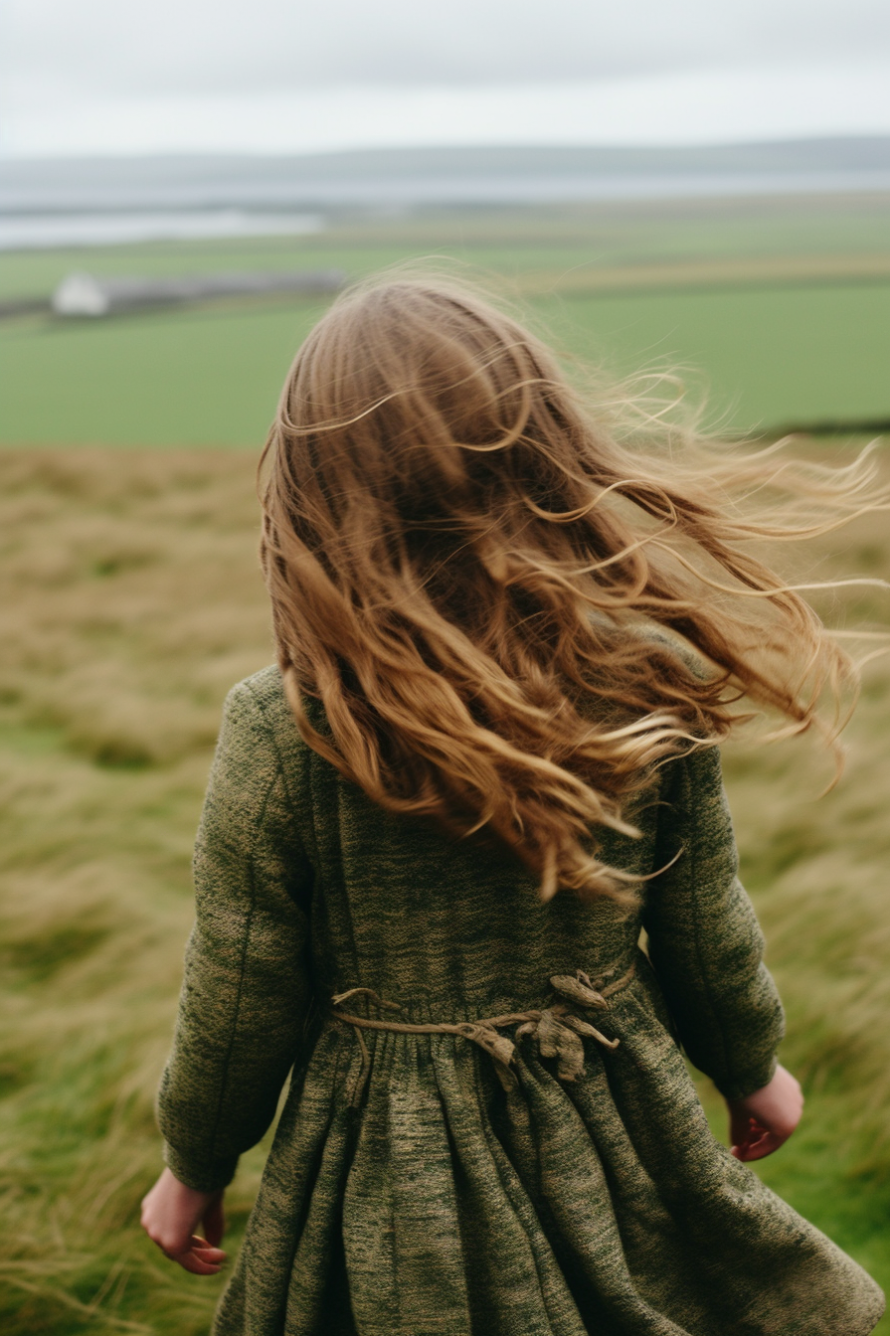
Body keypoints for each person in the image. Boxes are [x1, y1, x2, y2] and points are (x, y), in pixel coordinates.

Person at [140, 274, 885, 1335]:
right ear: (541, 458)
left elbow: (237, 988)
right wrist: (748, 1066)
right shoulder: (638, 678)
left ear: (311, 492)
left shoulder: (286, 723)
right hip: (611, 1110)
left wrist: (194, 1162)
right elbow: (700, 927)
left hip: (383, 1159)